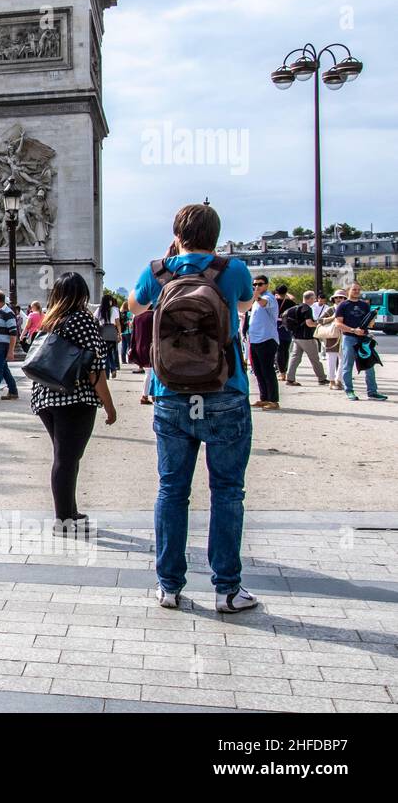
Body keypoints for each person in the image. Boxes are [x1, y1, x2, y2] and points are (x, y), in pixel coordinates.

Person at [129, 202, 259, 614]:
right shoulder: (232, 269)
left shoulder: (156, 271)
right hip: (225, 390)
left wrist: (171, 263)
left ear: (177, 234)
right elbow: (242, 305)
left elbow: (135, 307)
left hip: (171, 395)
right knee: (226, 492)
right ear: (216, 236)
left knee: (172, 491)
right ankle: (227, 590)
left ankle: (169, 585)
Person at [30, 273, 116, 531]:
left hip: (45, 395)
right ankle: (65, 518)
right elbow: (95, 367)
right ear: (83, 295)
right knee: (68, 458)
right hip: (74, 396)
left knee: (63, 457)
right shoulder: (82, 319)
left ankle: (69, 512)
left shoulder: (50, 320)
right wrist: (109, 405)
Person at [336, 282, 387, 402]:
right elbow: (338, 323)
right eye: (354, 289)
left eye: (358, 289)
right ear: (349, 290)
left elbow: (370, 324)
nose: (357, 291)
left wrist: (373, 318)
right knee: (348, 366)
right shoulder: (343, 305)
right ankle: (349, 391)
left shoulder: (364, 305)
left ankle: (372, 392)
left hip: (364, 339)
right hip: (349, 338)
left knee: (369, 365)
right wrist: (353, 330)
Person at [247, 275, 280, 410]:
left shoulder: (268, 297)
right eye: (254, 285)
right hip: (255, 339)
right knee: (258, 371)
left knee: (267, 370)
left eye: (260, 284)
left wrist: (256, 296)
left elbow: (264, 303)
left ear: (266, 285)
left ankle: (273, 400)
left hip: (267, 339)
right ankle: (264, 397)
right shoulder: (255, 301)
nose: (257, 287)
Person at [283, 290, 327, 387]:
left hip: (296, 337)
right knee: (315, 359)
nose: (314, 300)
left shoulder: (296, 308)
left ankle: (290, 379)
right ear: (310, 298)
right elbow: (309, 323)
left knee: (295, 358)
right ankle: (322, 378)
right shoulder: (307, 309)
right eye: (314, 298)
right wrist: (318, 324)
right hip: (306, 338)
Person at [320, 289, 346, 390]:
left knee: (343, 360)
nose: (339, 299)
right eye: (336, 297)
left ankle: (339, 380)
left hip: (345, 336)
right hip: (332, 337)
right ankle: (331, 381)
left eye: (341, 297)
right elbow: (320, 320)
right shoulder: (330, 309)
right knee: (331, 359)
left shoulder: (347, 309)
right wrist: (332, 317)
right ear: (333, 299)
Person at [130, 304, 156, 405]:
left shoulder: (137, 317)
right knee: (152, 373)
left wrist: (132, 348)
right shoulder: (155, 315)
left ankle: (149, 395)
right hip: (152, 347)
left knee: (149, 373)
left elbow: (133, 334)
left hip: (140, 348)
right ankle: (147, 396)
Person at [93, 295, 121, 377]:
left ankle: (107, 373)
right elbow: (118, 323)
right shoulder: (114, 310)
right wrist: (119, 334)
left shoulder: (99, 309)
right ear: (109, 301)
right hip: (112, 332)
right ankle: (113, 369)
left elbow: (94, 319)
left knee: (104, 353)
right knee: (110, 353)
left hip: (103, 332)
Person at [273, 284, 293, 378]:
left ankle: (281, 372)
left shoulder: (273, 301)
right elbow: (293, 299)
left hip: (276, 326)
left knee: (279, 350)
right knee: (286, 350)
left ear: (276, 292)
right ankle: (285, 369)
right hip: (287, 327)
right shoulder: (290, 303)